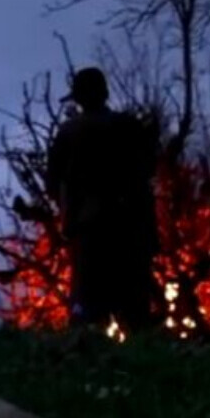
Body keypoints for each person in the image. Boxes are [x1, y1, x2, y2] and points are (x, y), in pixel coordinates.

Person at [46, 67, 158, 332]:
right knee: (133, 301)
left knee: (87, 302)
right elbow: (147, 170)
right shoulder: (128, 126)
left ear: (79, 98)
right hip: (130, 226)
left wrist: (68, 213)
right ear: (105, 93)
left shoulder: (69, 132)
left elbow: (52, 180)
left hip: (89, 228)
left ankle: (88, 353)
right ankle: (141, 354)